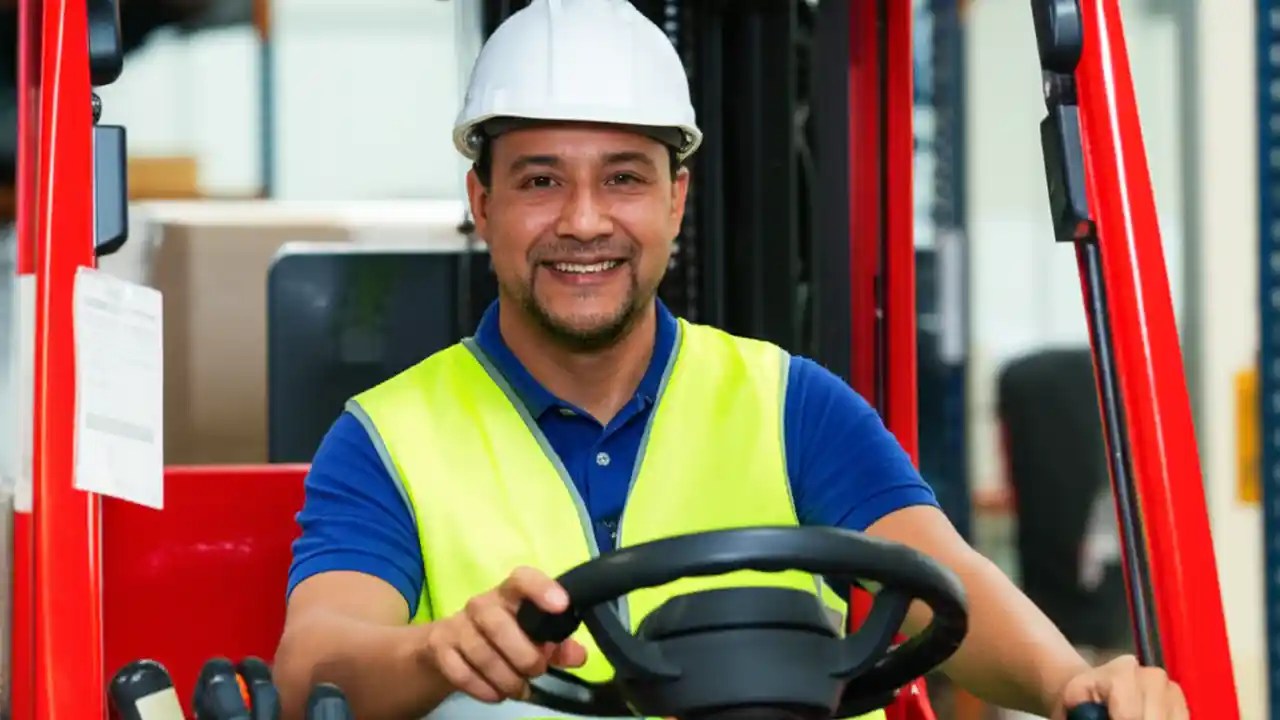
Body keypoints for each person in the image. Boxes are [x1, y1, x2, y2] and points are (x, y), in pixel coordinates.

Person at [271, 1, 1188, 719]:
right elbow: (315, 664)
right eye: (540, 179)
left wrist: (1074, 682)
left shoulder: (792, 404)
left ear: (678, 198)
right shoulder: (387, 439)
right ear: (482, 200)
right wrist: (437, 651)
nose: (583, 220)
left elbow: (944, 585)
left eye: (623, 177)